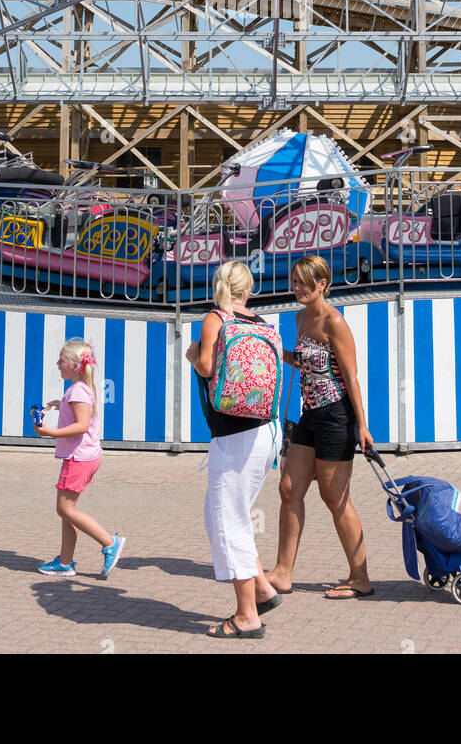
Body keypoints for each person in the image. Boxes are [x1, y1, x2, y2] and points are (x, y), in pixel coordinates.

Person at [186, 260, 283, 640]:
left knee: (229, 523)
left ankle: (247, 617)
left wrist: (194, 354)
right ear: (249, 288)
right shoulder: (260, 323)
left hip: (234, 435)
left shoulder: (216, 319)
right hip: (265, 430)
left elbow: (207, 367)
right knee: (223, 517)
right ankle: (262, 589)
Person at [268, 255, 374, 599]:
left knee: (335, 496)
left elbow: (351, 376)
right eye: (294, 281)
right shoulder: (300, 318)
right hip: (309, 414)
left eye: (304, 282)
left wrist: (362, 425)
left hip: (336, 416)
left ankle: (360, 578)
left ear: (322, 284)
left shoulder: (334, 321)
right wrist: (276, 351)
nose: (297, 288)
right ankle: (283, 573)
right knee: (288, 488)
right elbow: (305, 361)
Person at [33, 340, 124, 578]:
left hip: (79, 459)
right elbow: (77, 412)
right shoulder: (78, 388)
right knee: (68, 509)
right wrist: (59, 403)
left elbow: (82, 425)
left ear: (74, 365)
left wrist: (49, 432)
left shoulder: (78, 391)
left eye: (61, 360)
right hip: (82, 457)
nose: (57, 364)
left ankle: (108, 542)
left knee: (64, 508)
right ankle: (65, 562)